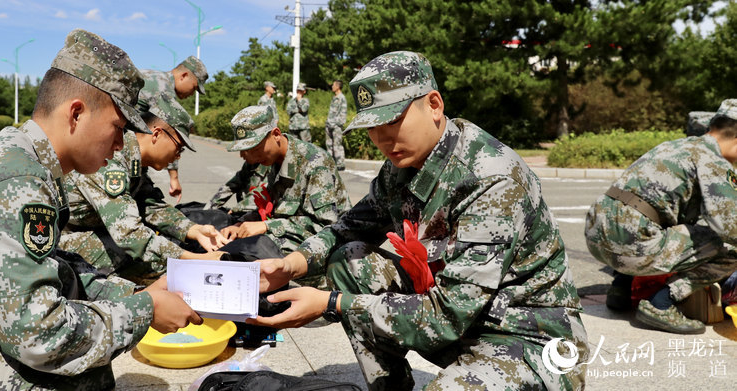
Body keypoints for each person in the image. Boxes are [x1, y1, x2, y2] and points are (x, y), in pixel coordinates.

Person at [250, 51, 587, 391]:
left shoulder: (491, 179)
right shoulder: (402, 165)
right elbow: (350, 226)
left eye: (392, 122)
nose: (382, 140)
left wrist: (334, 304)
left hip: (528, 339)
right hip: (465, 321)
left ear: (434, 105)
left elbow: (449, 315)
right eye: (371, 128)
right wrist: (291, 265)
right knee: (349, 260)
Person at [0, 29, 201, 390]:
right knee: (75, 373)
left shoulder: (27, 158)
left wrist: (134, 296)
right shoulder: (16, 180)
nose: (121, 143)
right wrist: (146, 311)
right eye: (118, 127)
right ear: (77, 113)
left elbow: (58, 272)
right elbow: (41, 339)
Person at [585, 98, 737, 335]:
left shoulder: (673, 146)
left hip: (596, 238)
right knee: (728, 248)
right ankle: (661, 303)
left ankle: (620, 288)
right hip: (629, 246)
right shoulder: (713, 160)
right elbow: (729, 226)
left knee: (661, 220)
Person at [60, 89, 227, 283]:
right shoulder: (112, 158)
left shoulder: (135, 162)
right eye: (178, 147)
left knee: (157, 259)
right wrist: (194, 260)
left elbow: (151, 206)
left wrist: (194, 230)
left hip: (93, 232)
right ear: (156, 134)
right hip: (65, 244)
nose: (178, 156)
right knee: (150, 262)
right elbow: (129, 233)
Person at [221, 104, 350, 257]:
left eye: (255, 149)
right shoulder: (273, 159)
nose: (252, 157)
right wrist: (241, 224)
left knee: (260, 250)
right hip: (298, 234)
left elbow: (324, 226)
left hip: (333, 246)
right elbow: (274, 207)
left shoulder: (315, 162)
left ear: (276, 134)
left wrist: (265, 226)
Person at [140, 55, 209, 199]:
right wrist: (174, 178)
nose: (192, 94)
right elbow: (168, 136)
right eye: (194, 88)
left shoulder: (151, 76)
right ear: (184, 75)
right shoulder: (164, 90)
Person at [205, 160, 270, 217]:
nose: (242, 155)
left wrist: (237, 208)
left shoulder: (272, 167)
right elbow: (232, 185)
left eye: (246, 151)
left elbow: (259, 195)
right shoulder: (251, 163)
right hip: (244, 212)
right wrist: (210, 207)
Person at [325, 79, 348, 171]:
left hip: (336, 126)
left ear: (338, 86)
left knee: (337, 145)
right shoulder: (334, 98)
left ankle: (340, 164)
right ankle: (330, 163)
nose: (332, 86)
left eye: (333, 85)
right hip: (329, 125)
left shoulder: (342, 98)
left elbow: (343, 114)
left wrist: (336, 124)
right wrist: (328, 122)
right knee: (329, 145)